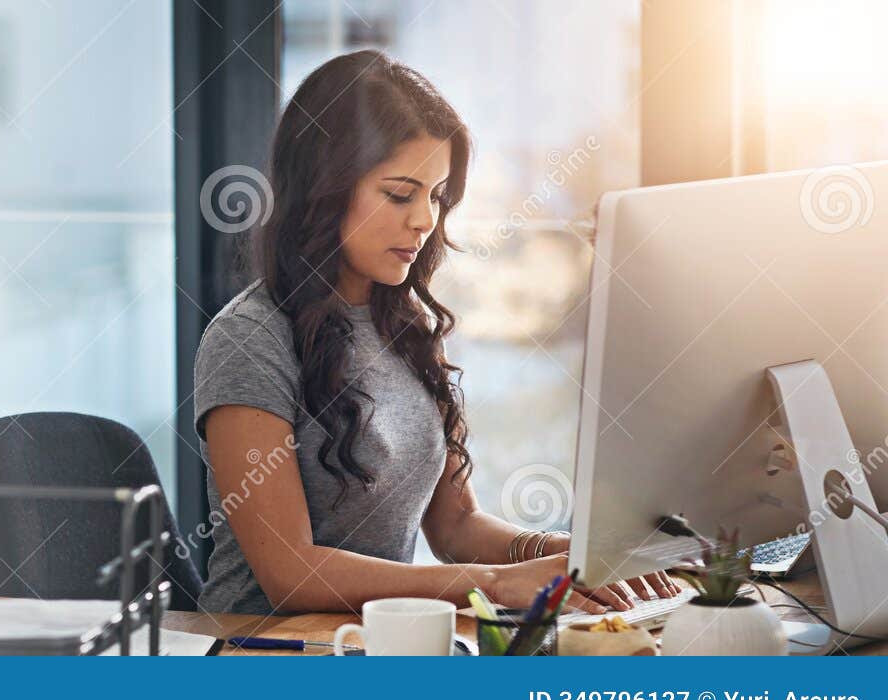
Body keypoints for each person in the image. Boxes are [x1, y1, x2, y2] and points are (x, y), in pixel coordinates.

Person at [193, 50, 679, 616]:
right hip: (266, 654)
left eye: (437, 195)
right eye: (400, 194)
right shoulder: (249, 340)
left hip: (375, 648)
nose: (425, 219)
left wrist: (568, 557)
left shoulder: (408, 329)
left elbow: (456, 525)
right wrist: (496, 583)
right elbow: (290, 573)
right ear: (322, 188)